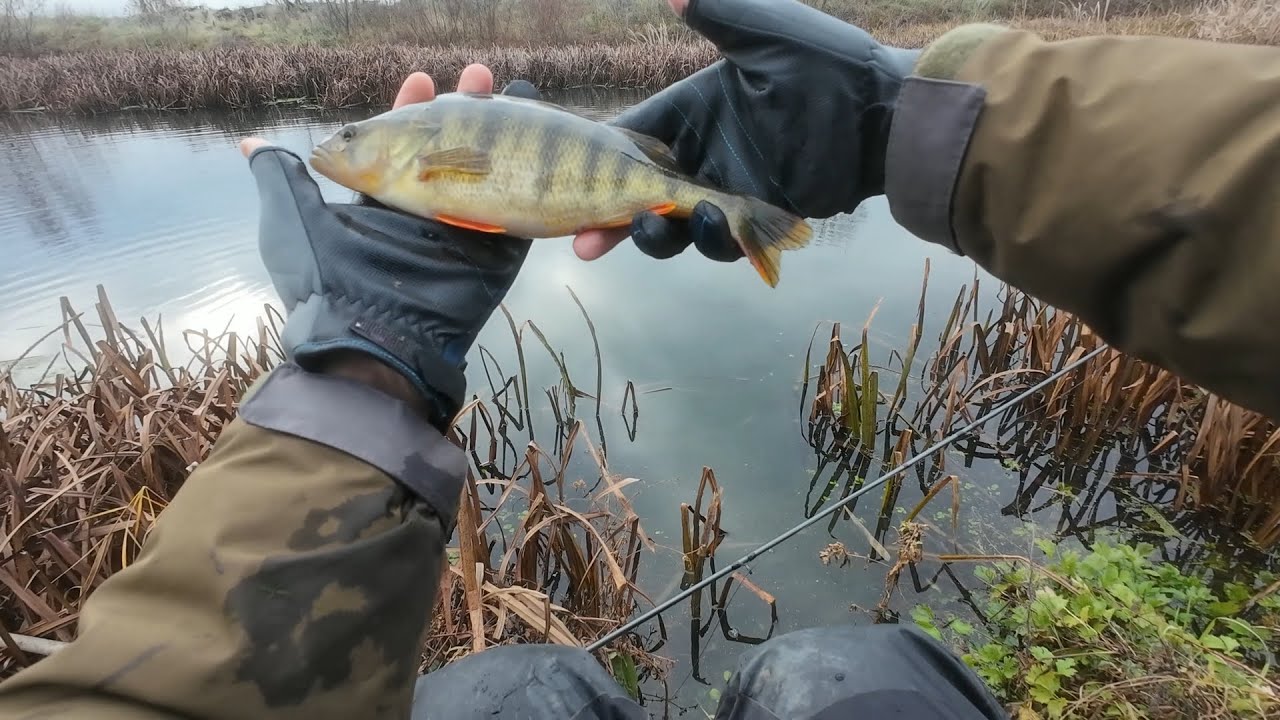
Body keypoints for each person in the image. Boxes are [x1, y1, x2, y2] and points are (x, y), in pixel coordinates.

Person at [1, 0, 1277, 716]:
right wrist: (909, 116)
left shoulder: (430, 152)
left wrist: (360, 368)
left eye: (348, 145)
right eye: (338, 147)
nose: (337, 156)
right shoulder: (427, 151)